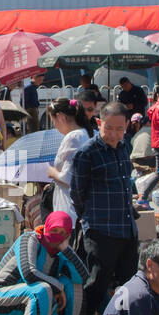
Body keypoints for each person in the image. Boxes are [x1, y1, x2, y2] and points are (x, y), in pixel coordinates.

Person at [71, 102, 140, 315]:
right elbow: (77, 192)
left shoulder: (124, 147)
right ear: (99, 123)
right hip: (100, 227)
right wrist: (87, 219)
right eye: (109, 128)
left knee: (129, 283)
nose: (113, 134)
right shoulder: (87, 153)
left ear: (127, 126)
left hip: (125, 226)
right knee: (97, 283)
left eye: (119, 129)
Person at [46, 97, 90, 226]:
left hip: (69, 208)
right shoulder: (82, 133)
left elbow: (68, 178)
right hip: (73, 206)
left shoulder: (74, 137)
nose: (54, 124)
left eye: (53, 120)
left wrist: (52, 172)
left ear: (60, 117)